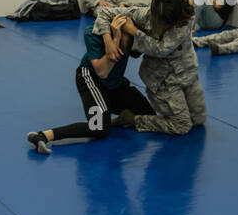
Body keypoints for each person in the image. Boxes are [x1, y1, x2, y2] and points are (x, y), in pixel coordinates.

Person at [25, 12, 156, 153]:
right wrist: (116, 40)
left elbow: (139, 51)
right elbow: (103, 72)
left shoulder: (132, 31)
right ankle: (43, 136)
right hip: (91, 78)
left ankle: (116, 117)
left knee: (148, 115)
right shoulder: (92, 33)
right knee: (99, 128)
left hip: (115, 81)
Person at [105, 0, 207, 136]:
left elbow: (161, 49)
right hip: (162, 80)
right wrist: (108, 41)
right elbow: (105, 13)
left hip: (186, 71)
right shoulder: (145, 14)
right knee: (182, 125)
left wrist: (134, 31)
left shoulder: (185, 16)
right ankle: (132, 119)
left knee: (198, 119)